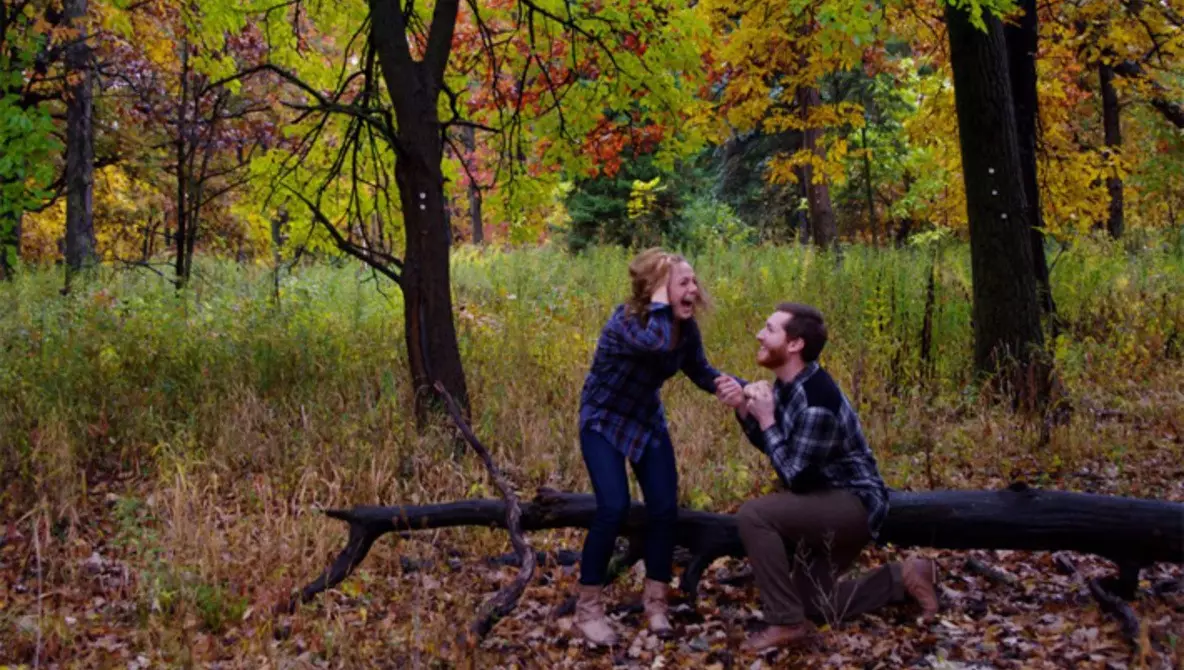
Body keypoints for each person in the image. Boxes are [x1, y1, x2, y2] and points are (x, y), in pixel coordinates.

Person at [714, 303, 939, 653]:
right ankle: (902, 577)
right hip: (823, 500)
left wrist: (767, 419)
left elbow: (795, 476)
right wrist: (746, 410)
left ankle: (785, 622)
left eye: (769, 329)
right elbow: (785, 453)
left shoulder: (817, 399)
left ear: (794, 345)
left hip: (851, 504)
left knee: (754, 515)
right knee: (815, 604)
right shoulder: (791, 385)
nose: (759, 334)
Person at [575, 248, 737, 646]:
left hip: (646, 420)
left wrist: (737, 387)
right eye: (683, 282)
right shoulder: (626, 323)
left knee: (664, 509)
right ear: (656, 289)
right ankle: (588, 608)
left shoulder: (685, 330)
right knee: (612, 507)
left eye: (694, 282)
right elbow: (655, 345)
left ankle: (656, 602)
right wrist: (662, 301)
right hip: (603, 419)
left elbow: (698, 369)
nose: (694, 290)